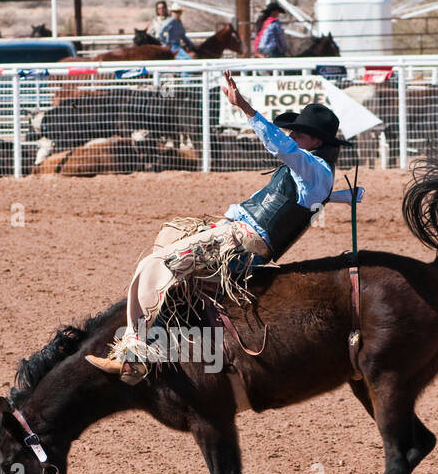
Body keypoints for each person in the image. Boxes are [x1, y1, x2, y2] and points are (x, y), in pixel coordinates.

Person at [86, 73, 362, 384]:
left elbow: (283, 148)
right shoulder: (318, 172)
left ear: (317, 141)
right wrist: (344, 197)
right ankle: (162, 327)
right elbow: (312, 193)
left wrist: (244, 106)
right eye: (294, 131)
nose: (294, 135)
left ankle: (135, 355)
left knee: (154, 264)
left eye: (300, 132)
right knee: (170, 237)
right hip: (241, 234)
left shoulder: (311, 167)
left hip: (242, 240)